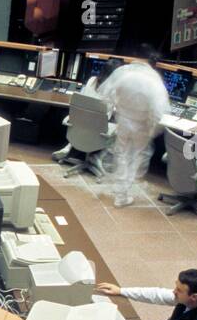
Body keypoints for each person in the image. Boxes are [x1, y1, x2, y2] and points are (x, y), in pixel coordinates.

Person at [96, 51, 170, 207]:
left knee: (121, 154)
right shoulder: (154, 80)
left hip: (123, 120)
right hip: (142, 125)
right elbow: (159, 111)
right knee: (135, 158)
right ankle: (123, 194)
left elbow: (104, 94)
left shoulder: (123, 72)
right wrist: (153, 130)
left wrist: (116, 109)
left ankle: (119, 189)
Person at [52, 58, 120, 161]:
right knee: (120, 127)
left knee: (85, 121)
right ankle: (98, 158)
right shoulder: (115, 88)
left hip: (81, 123)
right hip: (99, 128)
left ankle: (68, 148)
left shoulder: (92, 80)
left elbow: (84, 97)